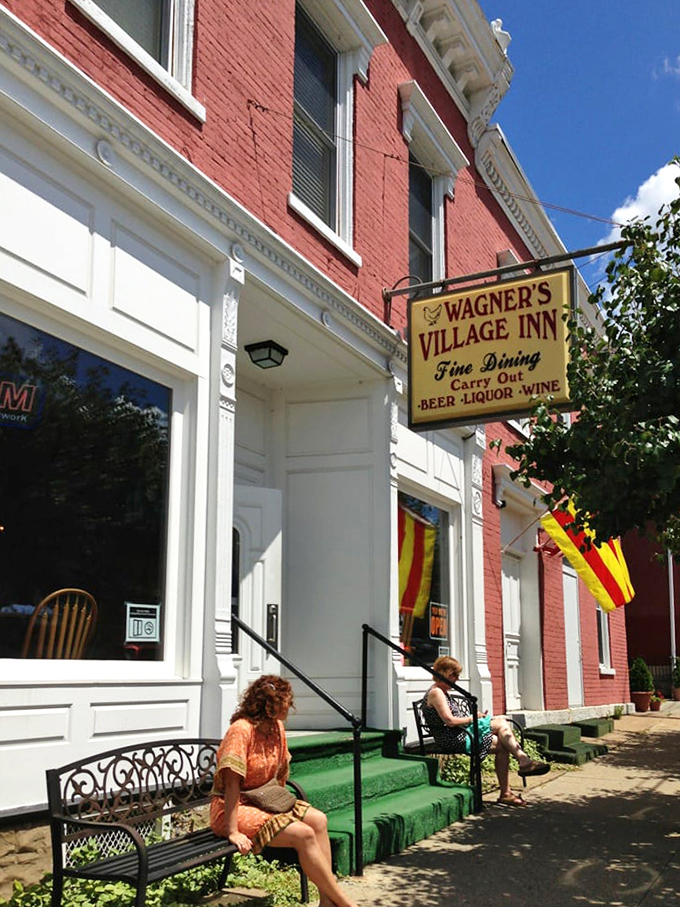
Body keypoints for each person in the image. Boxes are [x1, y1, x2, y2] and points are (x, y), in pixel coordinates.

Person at [210, 675, 360, 907]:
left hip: (263, 799)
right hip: (232, 807)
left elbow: (279, 775)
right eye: (285, 702)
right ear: (268, 705)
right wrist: (232, 832)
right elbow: (231, 785)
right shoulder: (241, 730)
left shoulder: (276, 727)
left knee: (319, 820)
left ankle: (327, 903)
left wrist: (279, 808)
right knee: (304, 834)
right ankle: (345, 904)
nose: (290, 706)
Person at [422, 656, 549, 807]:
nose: (456, 679)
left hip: (461, 732)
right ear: (443, 673)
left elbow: (455, 719)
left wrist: (478, 718)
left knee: (502, 729)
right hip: (451, 738)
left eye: (457, 675)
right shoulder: (436, 693)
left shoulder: (444, 692)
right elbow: (450, 722)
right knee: (502, 739)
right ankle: (517, 771)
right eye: (453, 675)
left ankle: (515, 776)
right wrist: (473, 718)